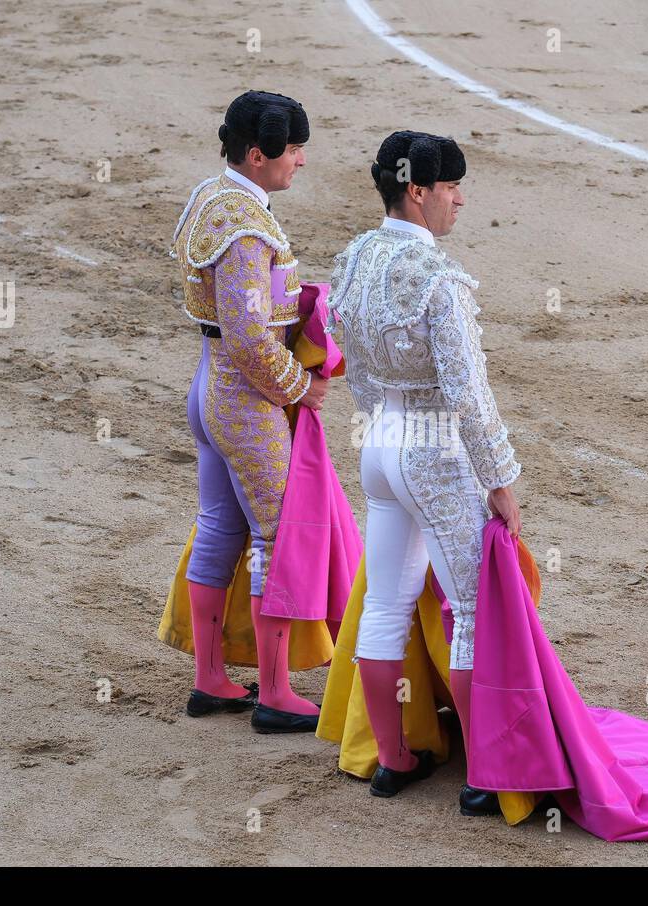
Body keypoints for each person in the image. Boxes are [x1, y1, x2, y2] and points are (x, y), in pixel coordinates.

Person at [327, 131, 519, 809]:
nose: (459, 200)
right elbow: (467, 393)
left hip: (379, 445)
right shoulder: (440, 279)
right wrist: (499, 480)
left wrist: (382, 424)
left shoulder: (352, 260)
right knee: (469, 610)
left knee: (385, 604)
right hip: (433, 453)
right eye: (450, 188)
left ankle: (393, 759)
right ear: (418, 191)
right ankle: (483, 776)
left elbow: (347, 353)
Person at [164, 90, 328, 733]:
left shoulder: (210, 197)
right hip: (244, 399)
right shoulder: (245, 225)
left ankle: (210, 678)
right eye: (292, 150)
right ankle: (276, 691)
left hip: (208, 389)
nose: (301, 161)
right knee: (276, 538)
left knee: (219, 528)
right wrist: (298, 386)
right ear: (257, 156)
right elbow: (249, 334)